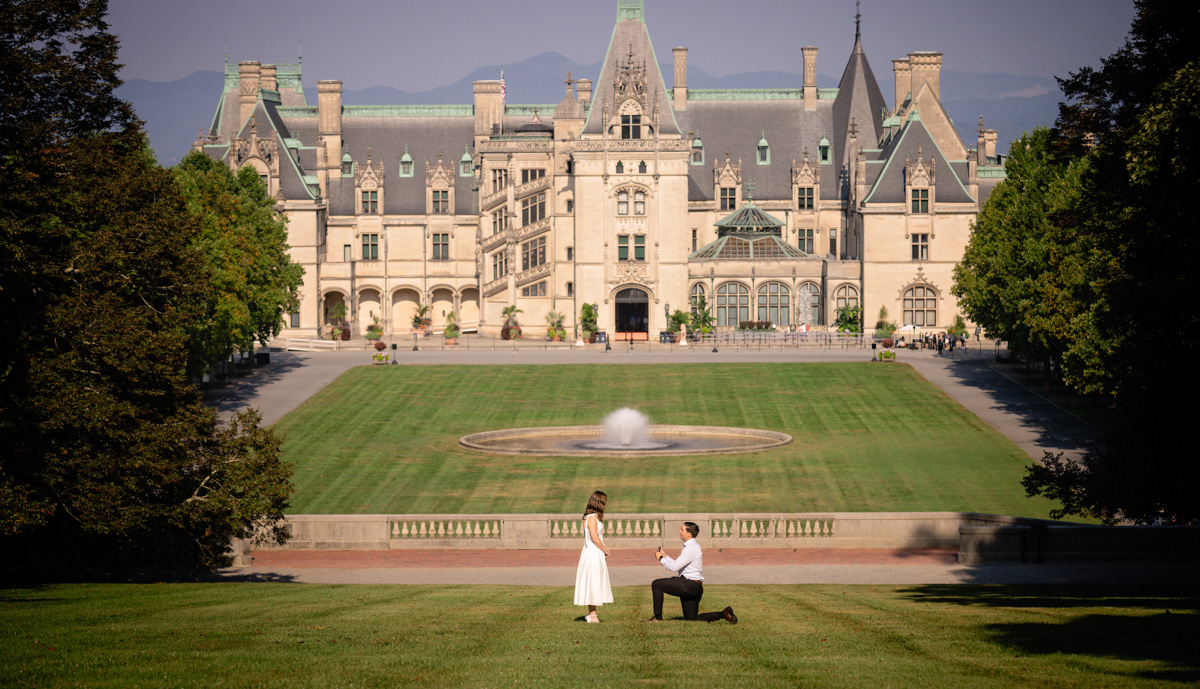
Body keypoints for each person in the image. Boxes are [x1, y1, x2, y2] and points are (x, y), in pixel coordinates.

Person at [643, 522, 736, 623]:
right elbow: (678, 565)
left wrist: (660, 558)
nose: (679, 531)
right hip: (695, 587)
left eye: (682, 530)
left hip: (689, 585)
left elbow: (674, 567)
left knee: (657, 584)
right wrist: (665, 556)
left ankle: (657, 617)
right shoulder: (692, 546)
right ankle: (723, 614)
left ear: (689, 534)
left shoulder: (690, 548)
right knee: (691, 619)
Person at [574, 490, 613, 622]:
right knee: (593, 582)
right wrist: (605, 550)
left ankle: (592, 614)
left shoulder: (592, 518)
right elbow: (595, 538)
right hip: (592, 553)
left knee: (594, 582)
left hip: (594, 552)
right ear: (599, 503)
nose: (605, 505)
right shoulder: (591, 519)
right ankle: (593, 615)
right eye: (604, 503)